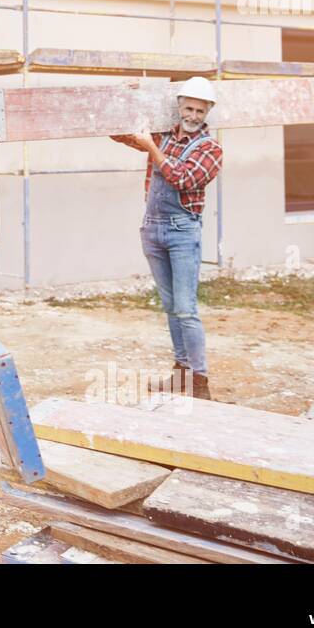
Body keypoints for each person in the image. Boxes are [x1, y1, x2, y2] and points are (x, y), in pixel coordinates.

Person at [111, 76, 223, 400]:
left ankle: (200, 383)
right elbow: (120, 135)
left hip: (182, 232)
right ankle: (181, 373)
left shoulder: (211, 149)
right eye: (188, 108)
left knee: (187, 309)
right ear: (178, 107)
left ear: (208, 111)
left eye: (199, 110)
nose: (192, 115)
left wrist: (151, 148)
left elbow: (181, 178)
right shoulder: (163, 135)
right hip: (153, 229)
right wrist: (122, 105)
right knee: (171, 306)